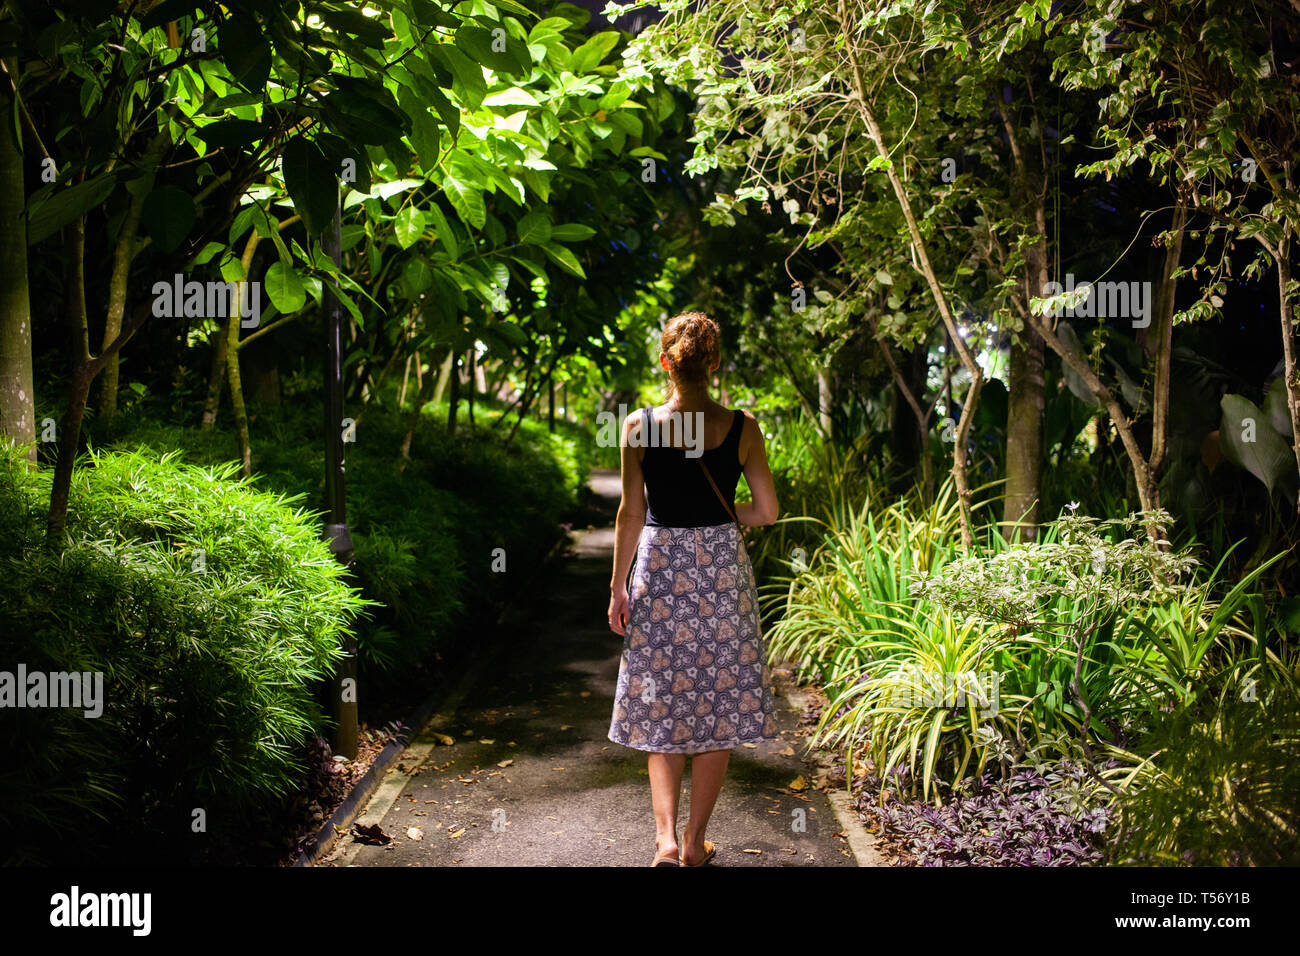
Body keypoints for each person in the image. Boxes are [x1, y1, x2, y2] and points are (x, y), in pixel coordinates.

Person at [606, 311, 780, 867]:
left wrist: (617, 587)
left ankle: (664, 840)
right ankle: (696, 841)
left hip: (659, 568)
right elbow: (768, 511)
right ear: (715, 363)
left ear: (666, 363)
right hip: (721, 573)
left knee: (662, 702)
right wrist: (725, 511)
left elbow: (631, 512)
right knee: (716, 705)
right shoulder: (742, 427)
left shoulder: (638, 425)